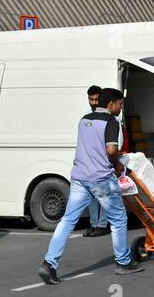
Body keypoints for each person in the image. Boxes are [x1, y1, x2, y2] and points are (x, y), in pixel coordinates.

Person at [38, 87, 141, 283]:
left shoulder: (84, 119)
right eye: (119, 104)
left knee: (67, 221)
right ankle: (123, 262)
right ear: (111, 104)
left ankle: (49, 264)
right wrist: (118, 164)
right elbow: (111, 150)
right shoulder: (112, 122)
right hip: (101, 179)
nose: (120, 107)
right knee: (118, 219)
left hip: (79, 177)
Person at [82, 85, 110, 238]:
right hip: (90, 163)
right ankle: (94, 224)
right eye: (91, 99)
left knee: (104, 195)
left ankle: (102, 224)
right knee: (92, 196)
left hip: (103, 161)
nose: (93, 102)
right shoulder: (86, 117)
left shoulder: (110, 118)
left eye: (96, 99)